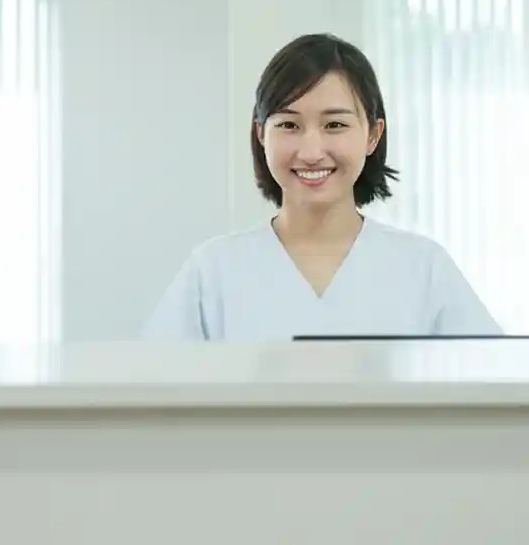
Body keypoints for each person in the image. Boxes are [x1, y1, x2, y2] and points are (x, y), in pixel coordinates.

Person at [142, 33, 501, 340]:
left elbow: (494, 389)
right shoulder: (212, 272)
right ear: (261, 134)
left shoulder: (424, 269)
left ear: (373, 135)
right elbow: (153, 396)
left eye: (334, 125)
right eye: (289, 125)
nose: (311, 152)